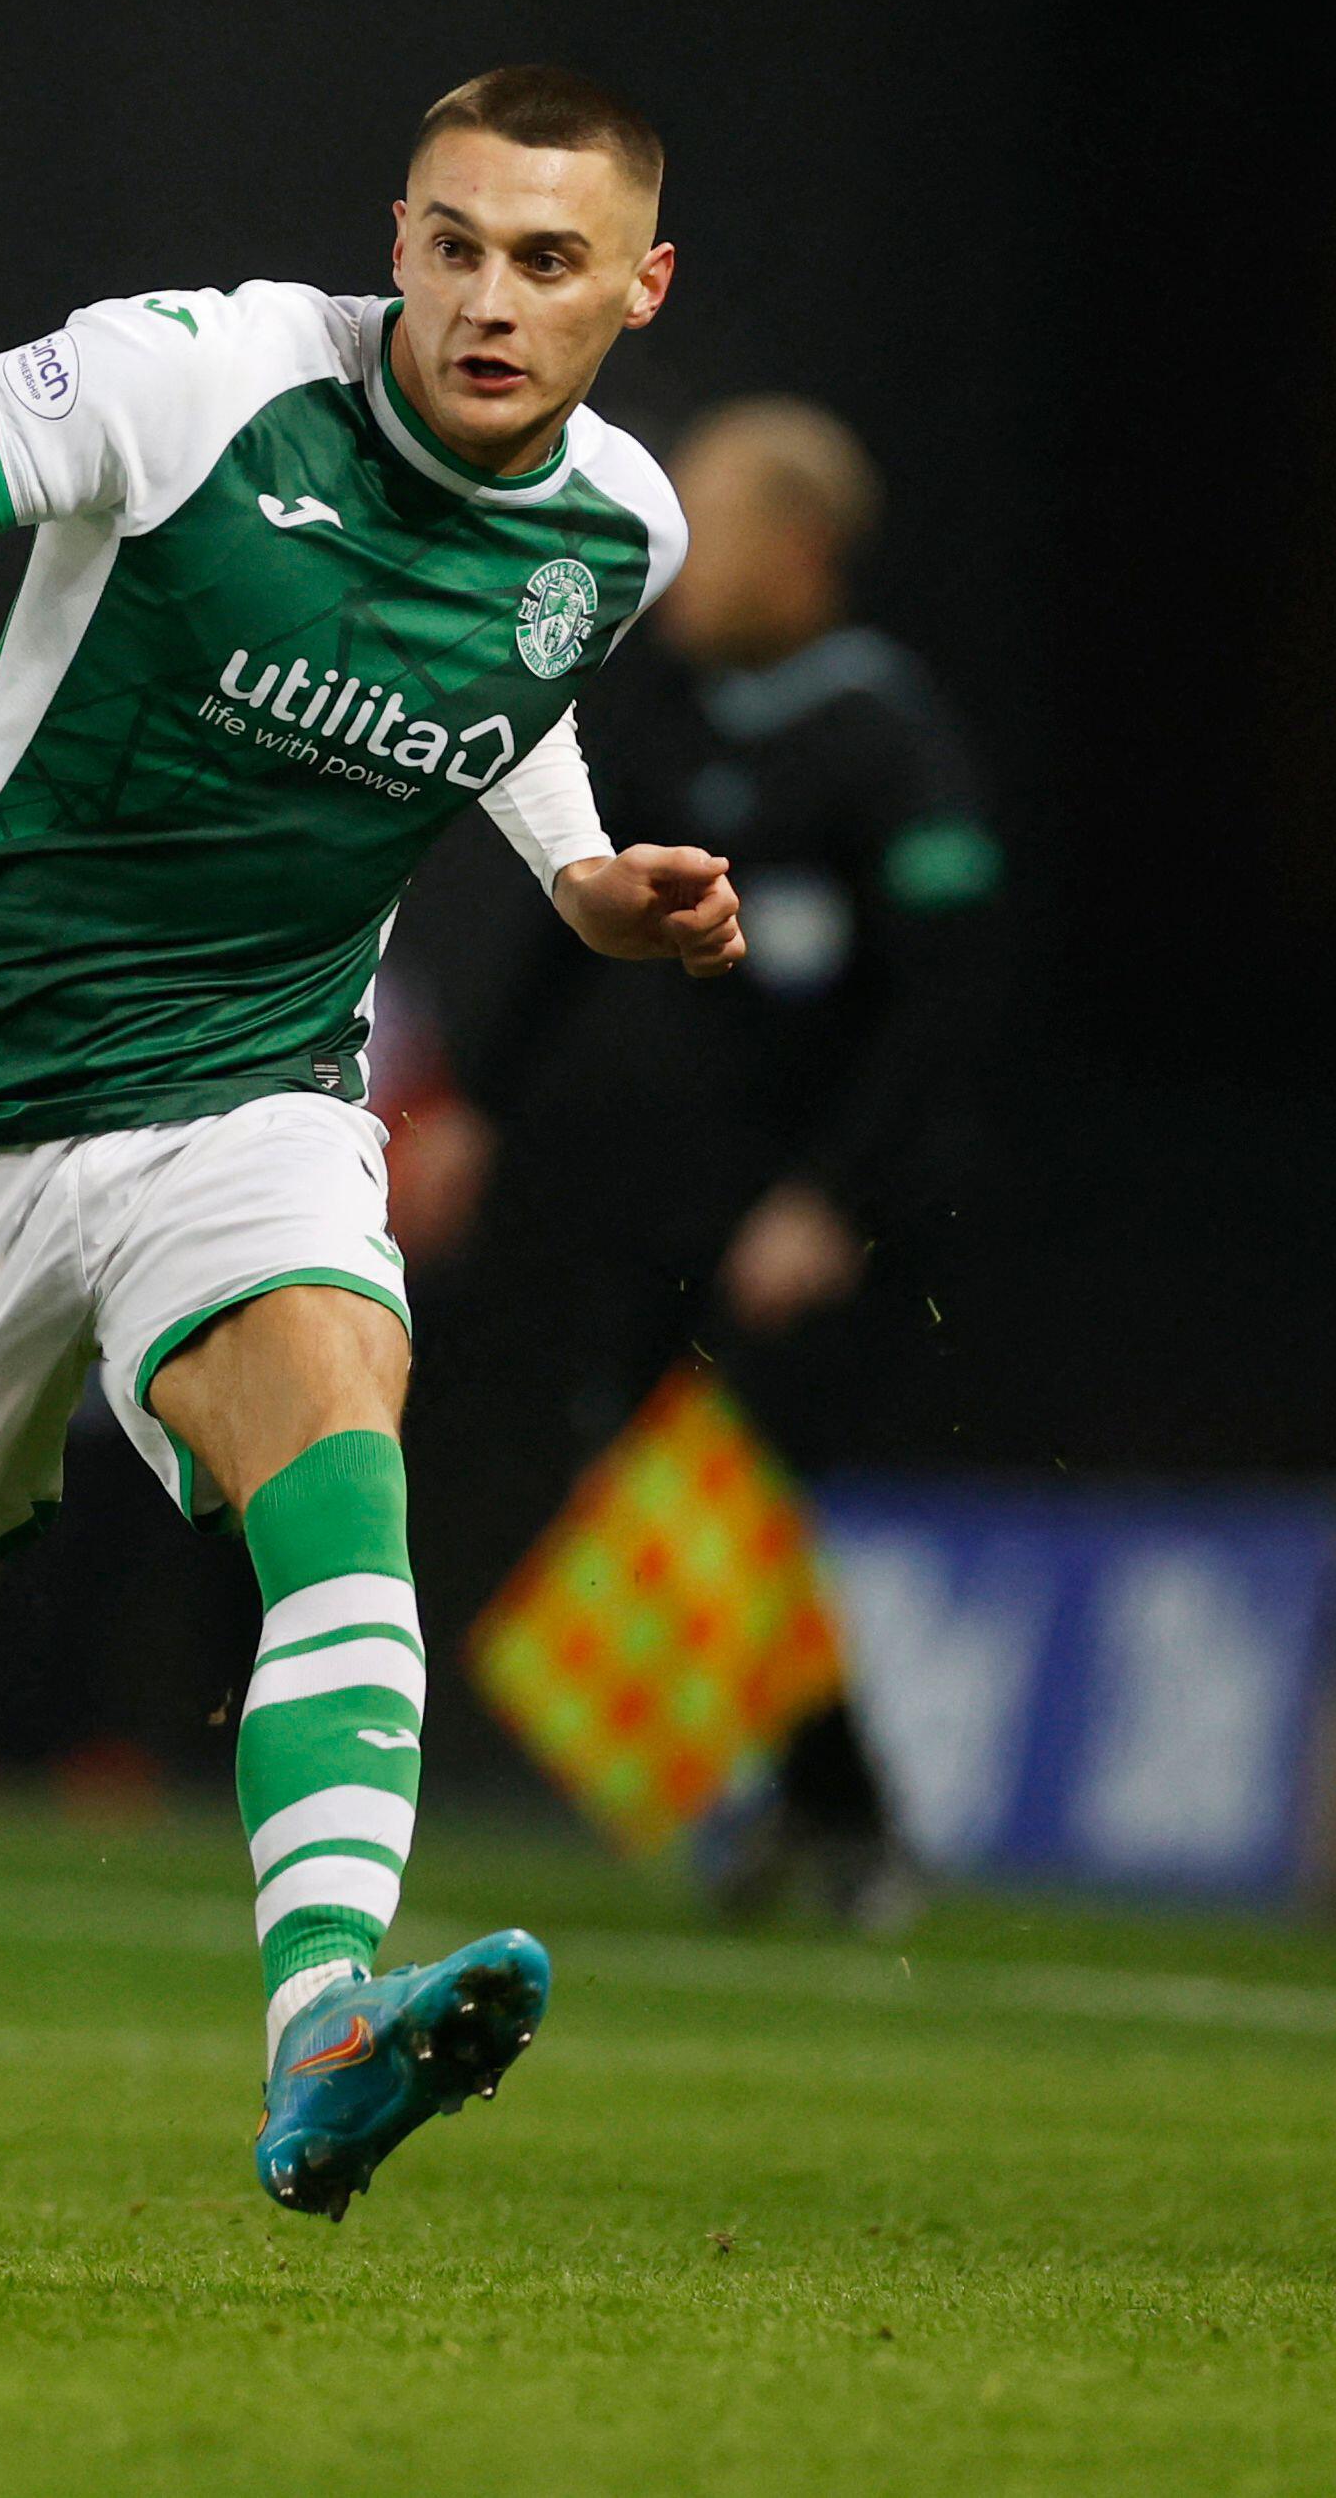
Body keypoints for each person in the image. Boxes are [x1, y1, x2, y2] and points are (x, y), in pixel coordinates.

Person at [0, 66, 744, 2254]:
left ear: (639, 290)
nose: (488, 294)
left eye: (547, 261)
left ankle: (321, 2022)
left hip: (254, 1087)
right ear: (396, 235)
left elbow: (496, 675)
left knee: (340, 1432)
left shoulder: (625, 528)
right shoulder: (193, 378)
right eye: (453, 242)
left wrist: (569, 880)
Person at [406, 397, 1008, 1928]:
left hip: (826, 1207)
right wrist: (471, 1102)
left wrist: (832, 1197)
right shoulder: (662, 708)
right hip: (661, 1195)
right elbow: (567, 915)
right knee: (662, 1497)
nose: (675, 563)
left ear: (798, 549)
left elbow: (946, 1004)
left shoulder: (887, 736)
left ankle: (847, 1818)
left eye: (711, 527)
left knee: (726, 1495)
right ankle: (780, 1806)